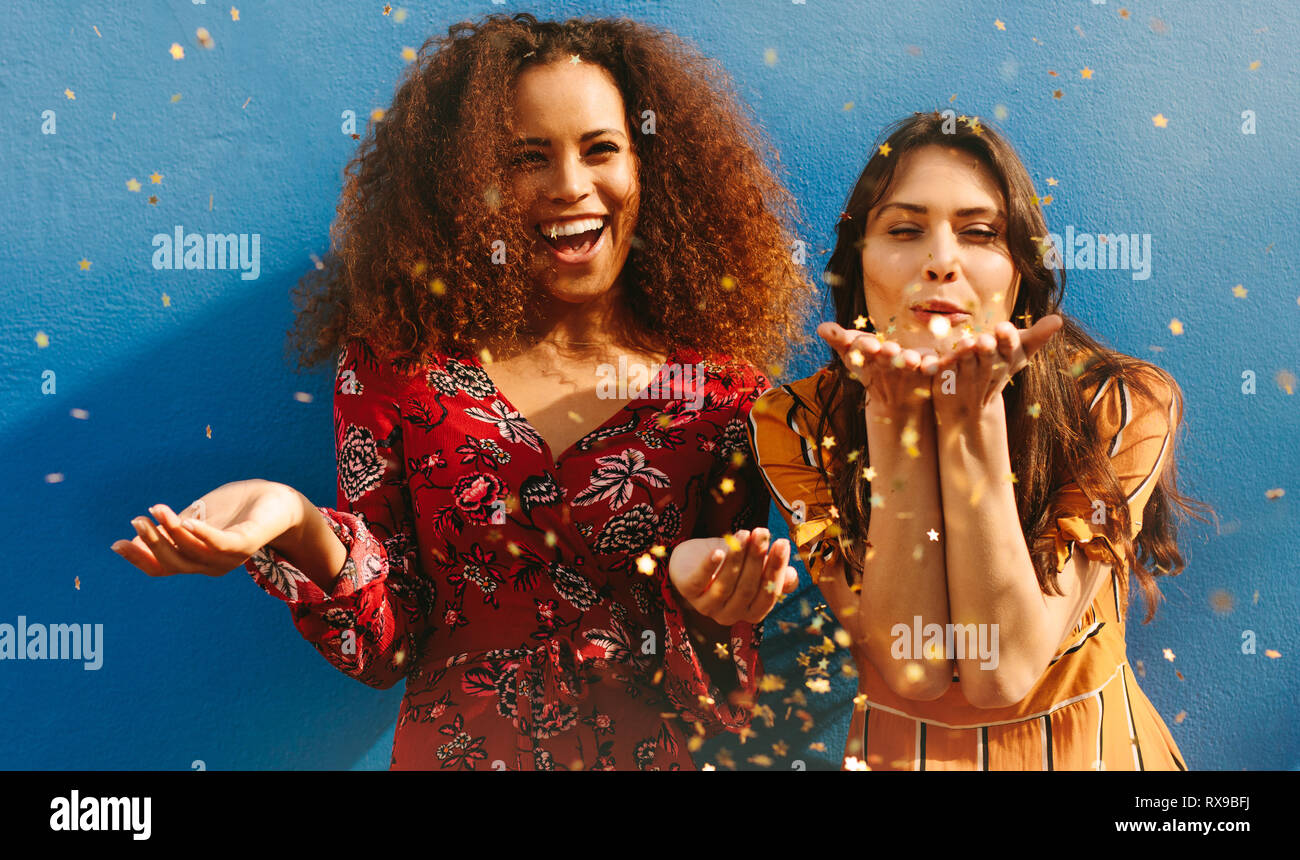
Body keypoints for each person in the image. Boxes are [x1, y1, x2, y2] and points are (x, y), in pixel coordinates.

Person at [110, 13, 816, 771]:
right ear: (466, 184)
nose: (571, 186)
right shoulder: (396, 371)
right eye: (526, 157)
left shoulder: (721, 397)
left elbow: (727, 692)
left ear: (652, 166)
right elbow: (388, 646)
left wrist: (701, 603)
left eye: (601, 149)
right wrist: (293, 519)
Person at [748, 111, 1212, 770]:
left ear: (1020, 269)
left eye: (980, 234)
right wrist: (895, 422)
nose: (941, 262)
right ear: (858, 263)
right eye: (904, 231)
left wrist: (973, 421)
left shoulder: (1121, 402)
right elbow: (915, 669)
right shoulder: (795, 422)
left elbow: (1004, 670)